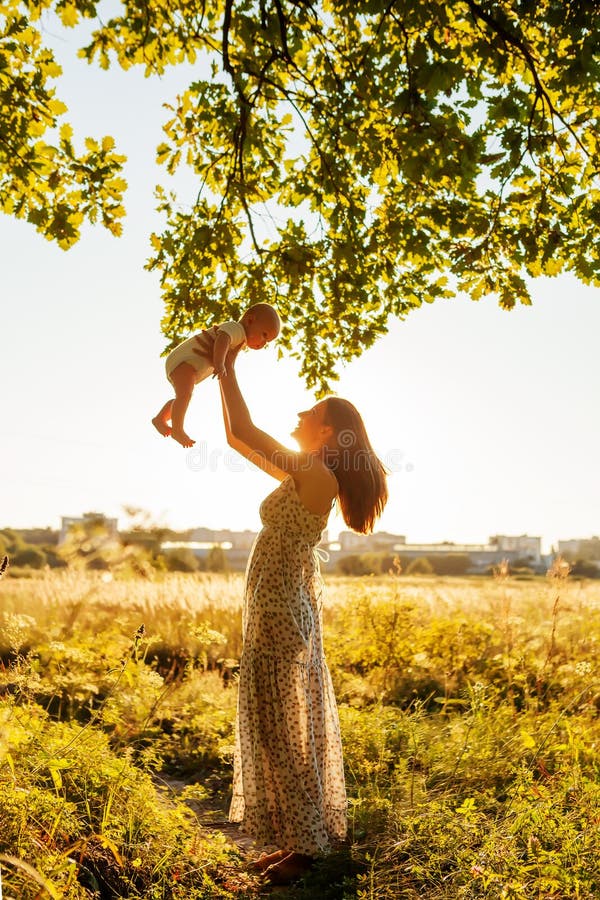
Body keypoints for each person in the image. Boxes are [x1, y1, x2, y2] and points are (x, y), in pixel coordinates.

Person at [218, 344, 388, 885]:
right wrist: (223, 375)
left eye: (309, 413)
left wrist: (228, 367)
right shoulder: (310, 472)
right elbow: (233, 436)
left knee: (287, 734)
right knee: (279, 731)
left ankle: (306, 851)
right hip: (275, 609)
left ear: (327, 434)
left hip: (281, 614)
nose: (297, 416)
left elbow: (243, 430)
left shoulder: (318, 477)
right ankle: (298, 842)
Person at [152, 303, 281, 447]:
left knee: (183, 397)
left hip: (185, 365)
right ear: (250, 320)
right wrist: (219, 363)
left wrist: (224, 364)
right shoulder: (237, 329)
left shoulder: (239, 338)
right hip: (185, 362)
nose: (263, 343)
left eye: (267, 341)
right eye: (264, 335)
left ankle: (160, 419)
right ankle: (177, 429)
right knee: (184, 396)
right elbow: (222, 339)